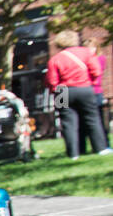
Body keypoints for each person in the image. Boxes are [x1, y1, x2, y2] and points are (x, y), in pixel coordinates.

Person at [46, 29, 110, 159]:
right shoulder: (85, 53)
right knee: (92, 118)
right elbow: (96, 71)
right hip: (84, 87)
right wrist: (88, 82)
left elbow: (51, 80)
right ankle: (100, 148)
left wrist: (57, 91)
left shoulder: (55, 59)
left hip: (62, 91)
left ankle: (73, 153)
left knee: (67, 122)